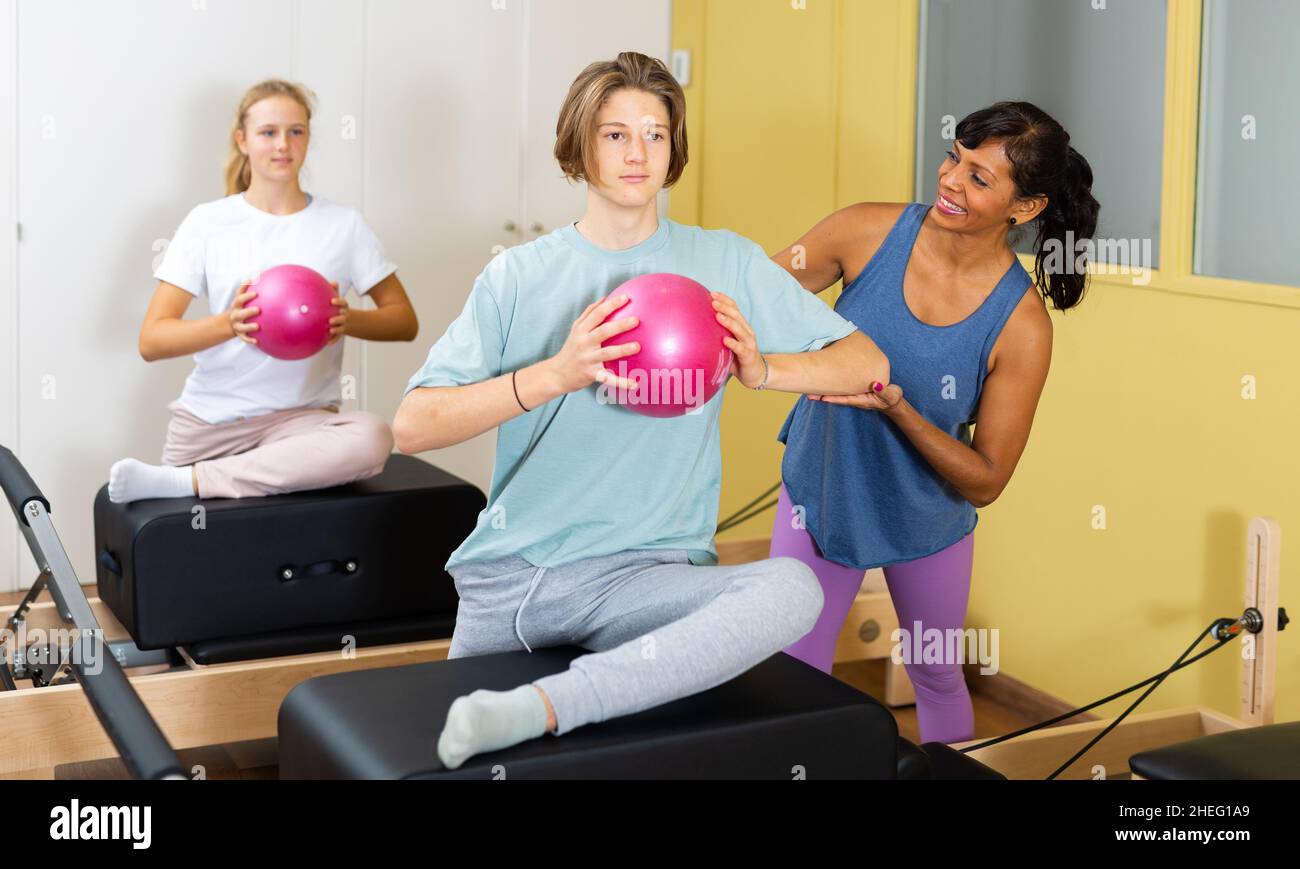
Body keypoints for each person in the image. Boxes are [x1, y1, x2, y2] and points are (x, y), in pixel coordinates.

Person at [394, 52, 891, 769]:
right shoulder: (519, 274)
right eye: (615, 134)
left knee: (790, 585)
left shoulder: (724, 262)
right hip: (519, 574)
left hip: (646, 577)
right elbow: (414, 423)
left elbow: (868, 366)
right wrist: (556, 373)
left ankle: (548, 706)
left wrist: (764, 368)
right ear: (580, 143)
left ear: (674, 148)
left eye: (655, 134)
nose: (638, 153)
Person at [769, 101, 1100, 743]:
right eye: (955, 158)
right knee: (795, 668)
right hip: (822, 487)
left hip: (926, 516)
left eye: (980, 178)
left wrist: (897, 406)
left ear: (1025, 208)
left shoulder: (1022, 325)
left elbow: (985, 481)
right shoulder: (864, 231)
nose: (950, 180)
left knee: (936, 673)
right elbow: (754, 296)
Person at [109, 79, 417, 503]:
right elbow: (152, 340)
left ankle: (193, 482)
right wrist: (229, 324)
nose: (282, 145)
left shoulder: (343, 225)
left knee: (373, 437)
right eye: (268, 132)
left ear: (308, 138)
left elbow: (404, 320)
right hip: (211, 425)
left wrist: (349, 319)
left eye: (296, 131)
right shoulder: (208, 223)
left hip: (301, 428)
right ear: (242, 140)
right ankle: (209, 473)